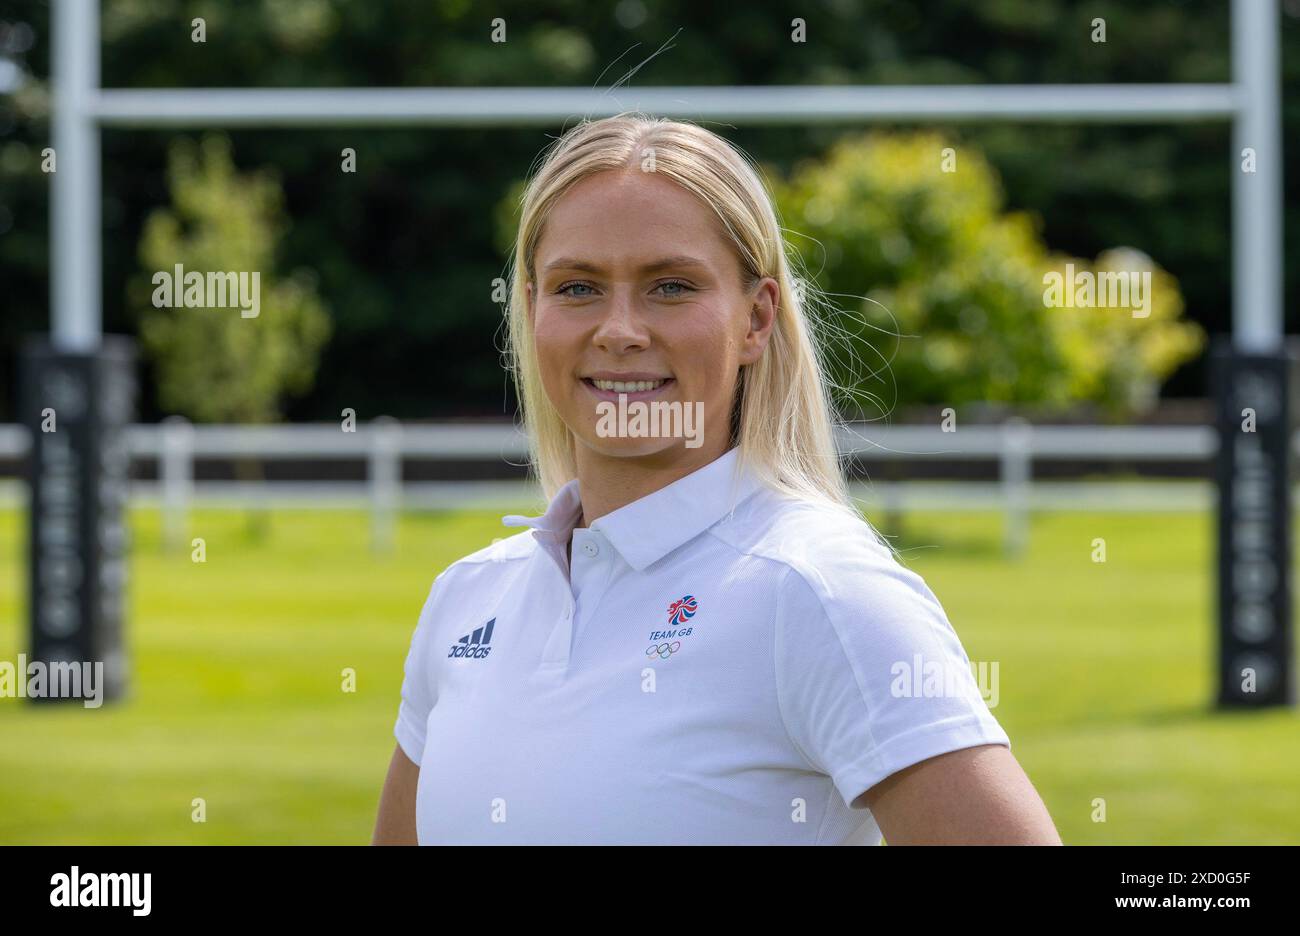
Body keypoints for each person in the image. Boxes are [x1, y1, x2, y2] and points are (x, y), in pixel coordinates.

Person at [373, 112, 1061, 845]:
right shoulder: (467, 599)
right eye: (578, 288)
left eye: (670, 286)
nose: (621, 330)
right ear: (533, 307)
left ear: (756, 320)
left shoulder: (819, 591)